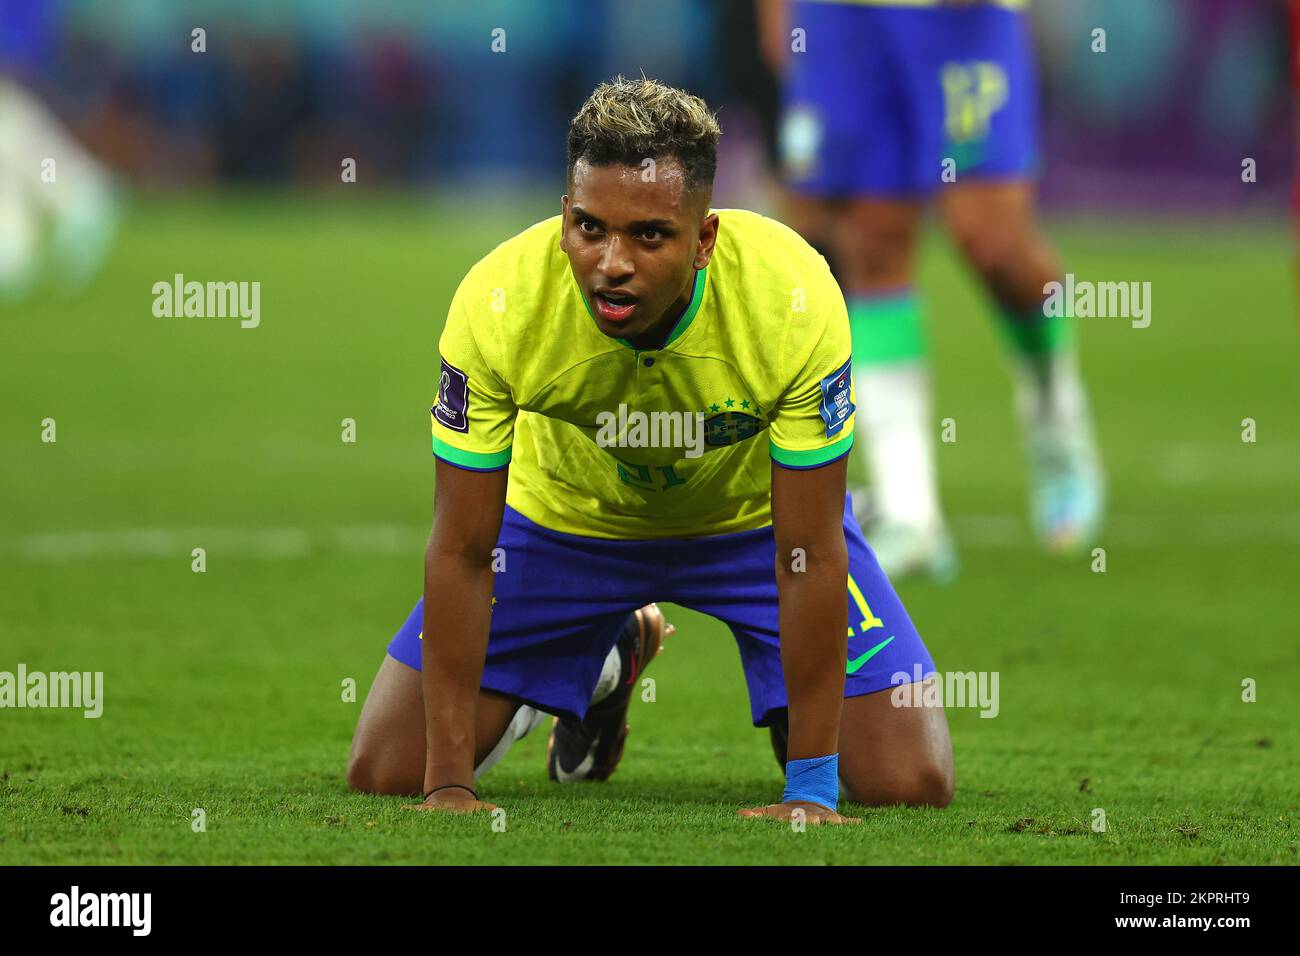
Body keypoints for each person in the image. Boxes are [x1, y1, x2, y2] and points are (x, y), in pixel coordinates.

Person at [347, 77, 953, 823]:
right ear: (564, 216)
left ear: (704, 241)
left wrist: (812, 789)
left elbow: (812, 554)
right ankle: (608, 660)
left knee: (909, 779)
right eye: (590, 228)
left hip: (752, 529)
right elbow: (463, 550)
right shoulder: (498, 305)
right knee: (386, 771)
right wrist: (448, 785)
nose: (612, 263)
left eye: (649, 236)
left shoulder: (791, 298)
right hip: (564, 526)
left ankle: (797, 727)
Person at [763, 0, 1106, 578]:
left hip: (959, 19)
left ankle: (1055, 416)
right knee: (867, 240)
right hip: (844, 17)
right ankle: (911, 513)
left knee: (992, 241)